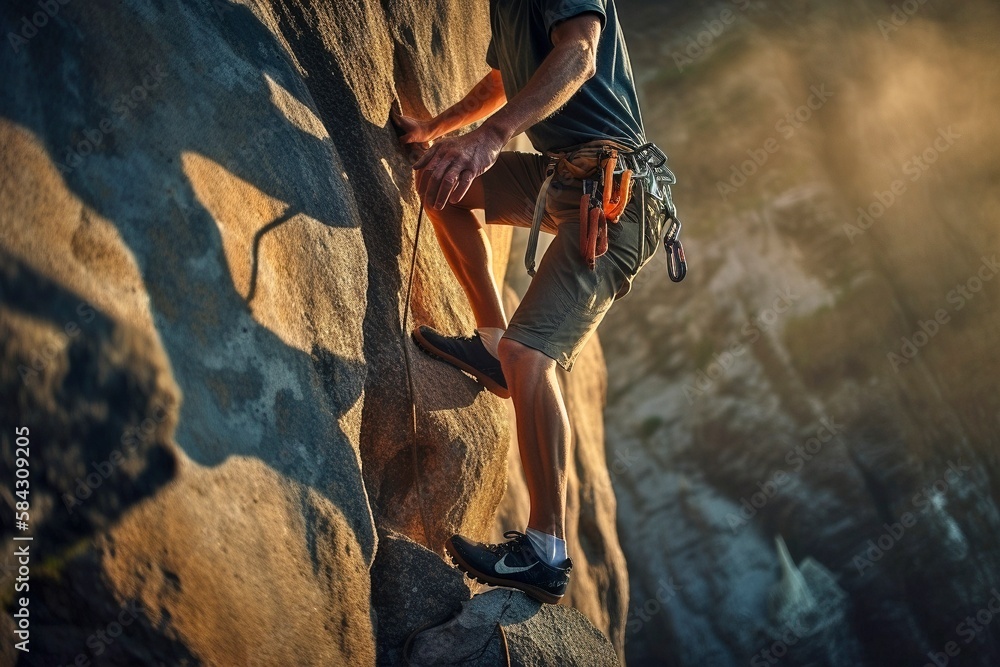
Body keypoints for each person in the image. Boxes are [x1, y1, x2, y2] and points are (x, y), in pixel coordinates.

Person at [393, 0, 679, 605]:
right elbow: (505, 82)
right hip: (562, 178)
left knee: (534, 355)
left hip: (615, 196)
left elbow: (576, 54)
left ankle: (546, 552)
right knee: (441, 183)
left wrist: (492, 138)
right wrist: (438, 132)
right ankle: (493, 345)